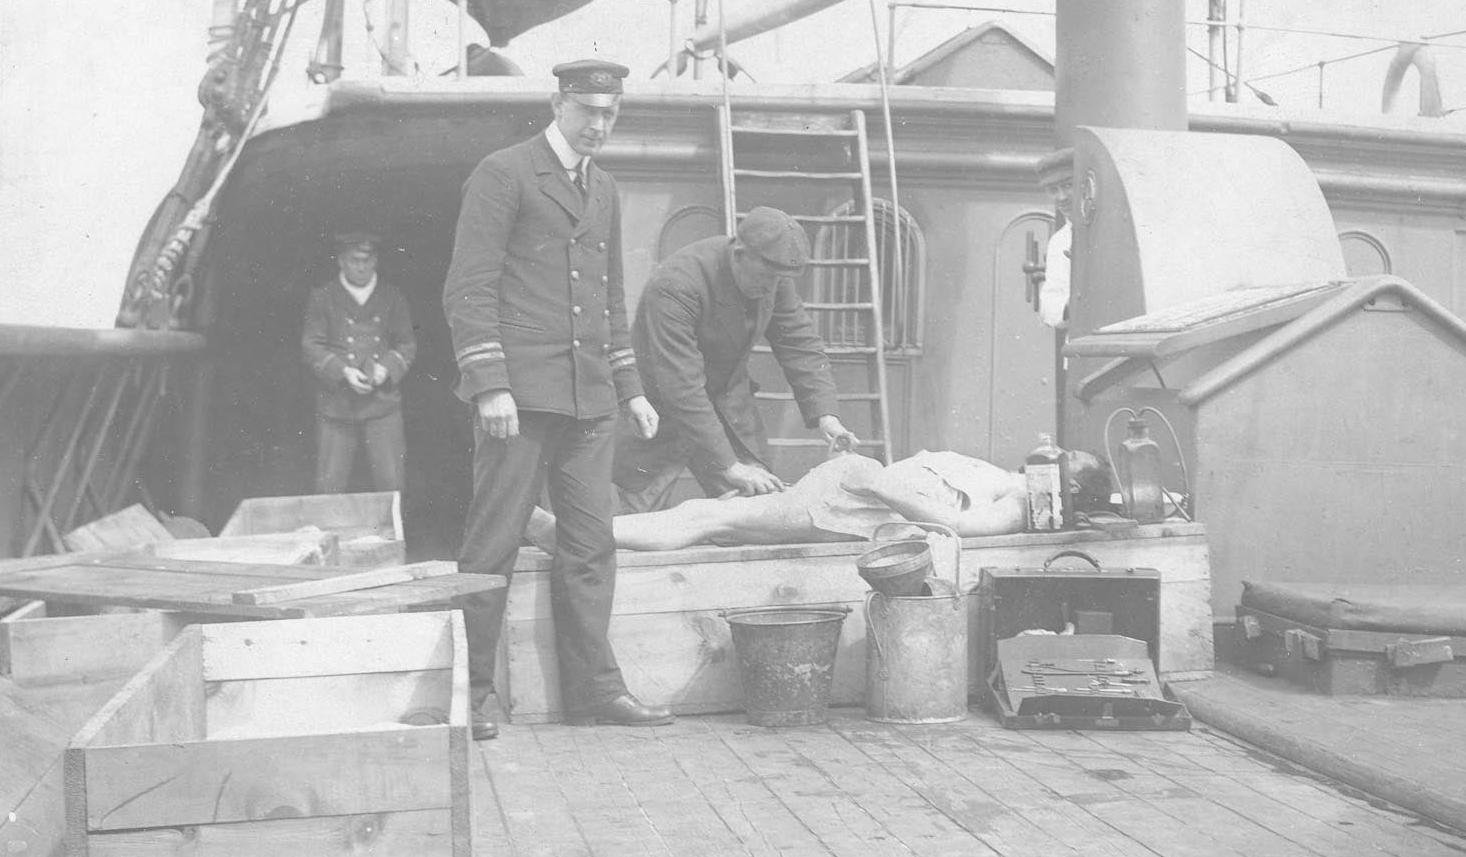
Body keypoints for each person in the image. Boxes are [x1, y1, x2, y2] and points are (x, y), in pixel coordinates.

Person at [442, 57, 671, 740]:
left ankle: (595, 691)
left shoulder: (604, 189)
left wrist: (630, 389)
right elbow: (469, 287)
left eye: (611, 114)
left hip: (589, 401)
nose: (599, 125)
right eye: (588, 112)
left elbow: (608, 298)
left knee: (591, 545)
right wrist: (490, 383)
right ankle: (474, 693)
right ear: (558, 103)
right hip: (520, 398)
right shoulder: (505, 173)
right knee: (493, 543)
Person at [615, 206, 858, 511]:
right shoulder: (676, 285)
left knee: (762, 508)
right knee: (624, 524)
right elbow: (681, 386)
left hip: (727, 406)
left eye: (779, 280)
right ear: (739, 254)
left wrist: (827, 417)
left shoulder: (771, 274)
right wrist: (728, 466)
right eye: (766, 277)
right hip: (660, 411)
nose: (770, 288)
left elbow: (800, 346)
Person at [532, 450, 1031, 552]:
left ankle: (570, 535)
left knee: (705, 516)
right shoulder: (1001, 473)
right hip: (852, 491)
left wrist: (880, 486)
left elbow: (953, 527)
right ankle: (575, 534)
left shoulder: (1017, 502)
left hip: (857, 508)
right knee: (717, 520)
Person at [301, 230, 416, 493]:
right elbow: (311, 346)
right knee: (329, 484)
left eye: (368, 259)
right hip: (337, 405)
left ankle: (395, 534)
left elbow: (407, 344)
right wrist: (343, 372)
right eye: (355, 260)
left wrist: (385, 369)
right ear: (340, 260)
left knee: (392, 483)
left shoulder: (392, 296)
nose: (362, 267)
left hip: (382, 404)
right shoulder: (323, 297)